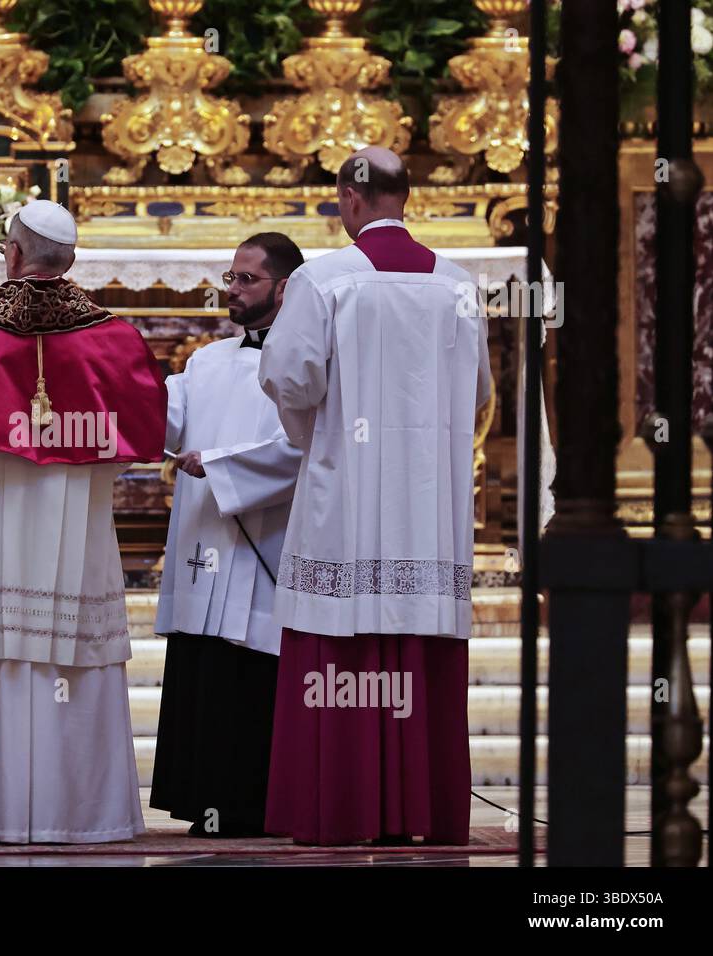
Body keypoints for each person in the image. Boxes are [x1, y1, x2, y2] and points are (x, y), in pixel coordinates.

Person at [257, 146, 491, 846]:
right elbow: (478, 395)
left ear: (347, 200)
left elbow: (288, 381)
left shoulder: (323, 280)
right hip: (430, 511)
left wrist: (316, 436)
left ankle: (341, 809)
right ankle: (424, 812)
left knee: (341, 645)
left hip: (347, 504)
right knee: (417, 646)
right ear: (405, 196)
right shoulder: (458, 283)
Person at [0, 200, 166, 844]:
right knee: (67, 649)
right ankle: (81, 812)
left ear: (11, 254)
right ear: (73, 259)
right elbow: (146, 426)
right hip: (76, 523)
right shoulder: (113, 338)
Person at [151, 232, 306, 838]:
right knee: (203, 668)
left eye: (247, 280)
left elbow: (302, 448)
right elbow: (164, 418)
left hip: (264, 543)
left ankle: (253, 804)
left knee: (249, 670)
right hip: (201, 543)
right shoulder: (207, 359)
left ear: (284, 287)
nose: (233, 289)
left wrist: (218, 465)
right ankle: (203, 801)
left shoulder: (303, 365)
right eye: (231, 277)